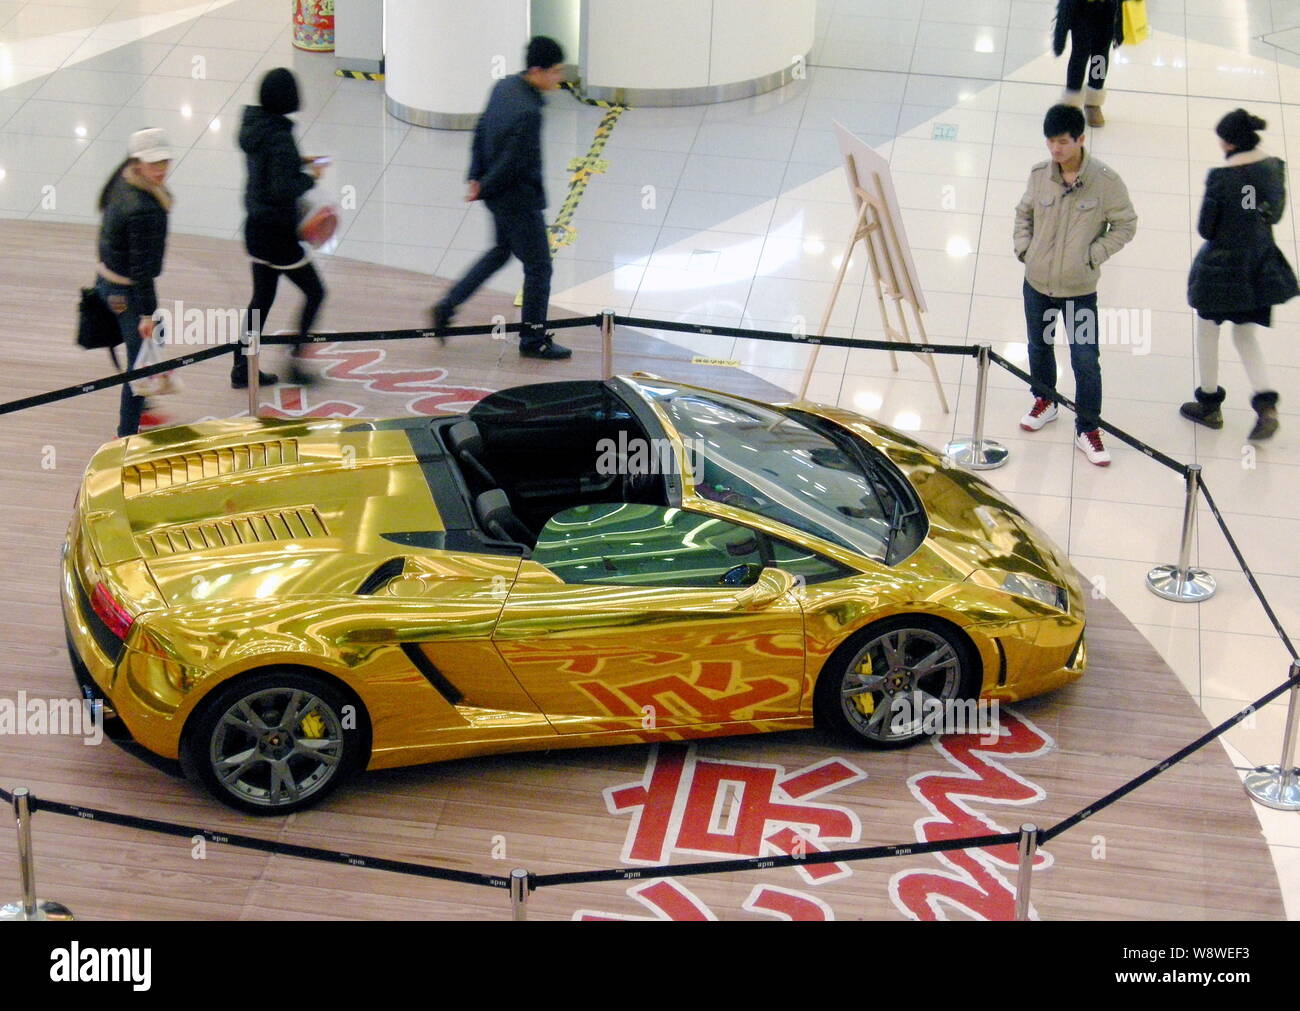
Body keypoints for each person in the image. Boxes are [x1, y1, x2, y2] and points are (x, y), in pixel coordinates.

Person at [431, 36, 571, 360]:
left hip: (496, 196)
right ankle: (533, 340)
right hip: (518, 201)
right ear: (538, 70)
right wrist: (487, 184)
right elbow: (514, 162)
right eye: (556, 72)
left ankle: (447, 304)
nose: (559, 78)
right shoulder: (529, 111)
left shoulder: (503, 87)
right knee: (539, 268)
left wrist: (475, 176)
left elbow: (480, 130)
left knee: (499, 251)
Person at [1014, 103, 1138, 467]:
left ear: (1081, 140)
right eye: (1051, 142)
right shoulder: (1039, 175)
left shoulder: (1106, 182)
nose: (1056, 150)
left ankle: (1088, 427)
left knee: (1085, 360)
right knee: (1038, 345)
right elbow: (1024, 213)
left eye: (1063, 142)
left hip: (1079, 291)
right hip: (1036, 284)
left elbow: (1126, 224)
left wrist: (1092, 255)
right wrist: (1025, 249)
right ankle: (1046, 400)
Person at [1181, 109, 1295, 441]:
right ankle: (1265, 404)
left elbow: (1206, 227)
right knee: (1245, 336)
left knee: (1207, 331)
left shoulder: (1221, 177)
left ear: (1230, 141)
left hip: (1221, 270)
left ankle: (1209, 403)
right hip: (1258, 265)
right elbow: (1274, 215)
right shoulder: (1273, 169)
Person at [237, 67, 326, 388]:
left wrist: (296, 162)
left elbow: (268, 168)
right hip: (278, 234)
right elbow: (281, 188)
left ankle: (240, 368)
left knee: (261, 298)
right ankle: (295, 360)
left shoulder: (255, 126)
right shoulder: (280, 136)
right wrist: (308, 177)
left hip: (256, 228)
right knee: (316, 292)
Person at [95, 128, 173, 438]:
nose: (162, 169)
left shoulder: (123, 180)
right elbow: (142, 271)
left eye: (165, 161)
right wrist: (145, 314)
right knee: (139, 365)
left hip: (108, 281)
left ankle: (143, 408)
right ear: (138, 161)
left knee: (155, 340)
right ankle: (126, 435)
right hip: (125, 290)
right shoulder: (143, 209)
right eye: (155, 163)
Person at [1053, 0, 1124, 127]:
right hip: (1081, 11)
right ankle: (1071, 104)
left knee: (1100, 57)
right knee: (1079, 56)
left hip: (1107, 10)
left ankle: (1093, 102)